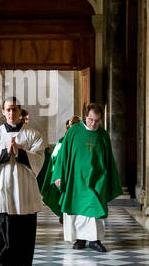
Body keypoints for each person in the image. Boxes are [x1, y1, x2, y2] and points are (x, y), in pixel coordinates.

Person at [0, 97, 45, 266]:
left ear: (20, 111)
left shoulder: (33, 134)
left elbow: (39, 158)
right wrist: (5, 153)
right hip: (1, 187)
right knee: (0, 226)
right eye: (8, 109)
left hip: (24, 189)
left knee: (23, 229)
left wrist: (20, 152)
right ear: (3, 111)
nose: (11, 113)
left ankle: (18, 264)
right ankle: (0, 263)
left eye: (14, 109)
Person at [42, 101, 122, 251]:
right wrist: (59, 175)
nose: (93, 124)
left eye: (97, 121)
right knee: (77, 209)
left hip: (96, 179)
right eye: (91, 120)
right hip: (76, 179)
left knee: (94, 208)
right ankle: (79, 239)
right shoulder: (73, 132)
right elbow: (62, 156)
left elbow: (109, 159)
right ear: (86, 117)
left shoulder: (102, 135)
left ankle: (95, 240)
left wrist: (109, 179)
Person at [41, 116, 81, 220]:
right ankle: (64, 215)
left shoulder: (83, 143)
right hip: (65, 177)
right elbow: (55, 160)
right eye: (72, 126)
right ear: (68, 128)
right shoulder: (62, 142)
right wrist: (57, 175)